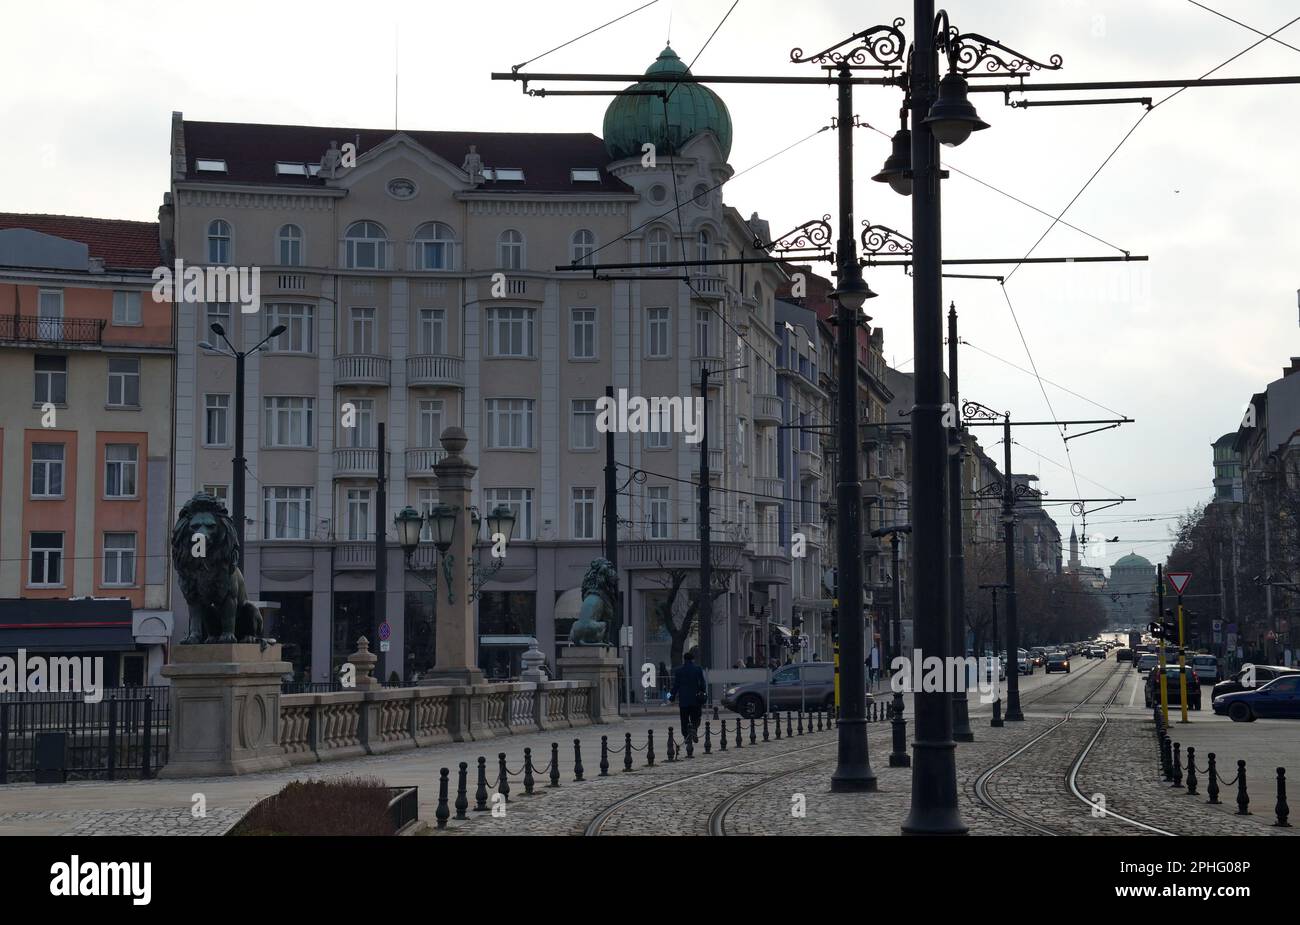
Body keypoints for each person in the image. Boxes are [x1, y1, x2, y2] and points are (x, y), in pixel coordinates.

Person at [669, 650, 707, 742]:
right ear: (693, 659)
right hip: (695, 699)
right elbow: (702, 683)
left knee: (684, 720)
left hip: (684, 700)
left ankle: (686, 736)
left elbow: (676, 685)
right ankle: (694, 729)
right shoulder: (698, 669)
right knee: (696, 717)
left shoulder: (679, 671)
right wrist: (703, 691)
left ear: (684, 659)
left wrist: (672, 696)